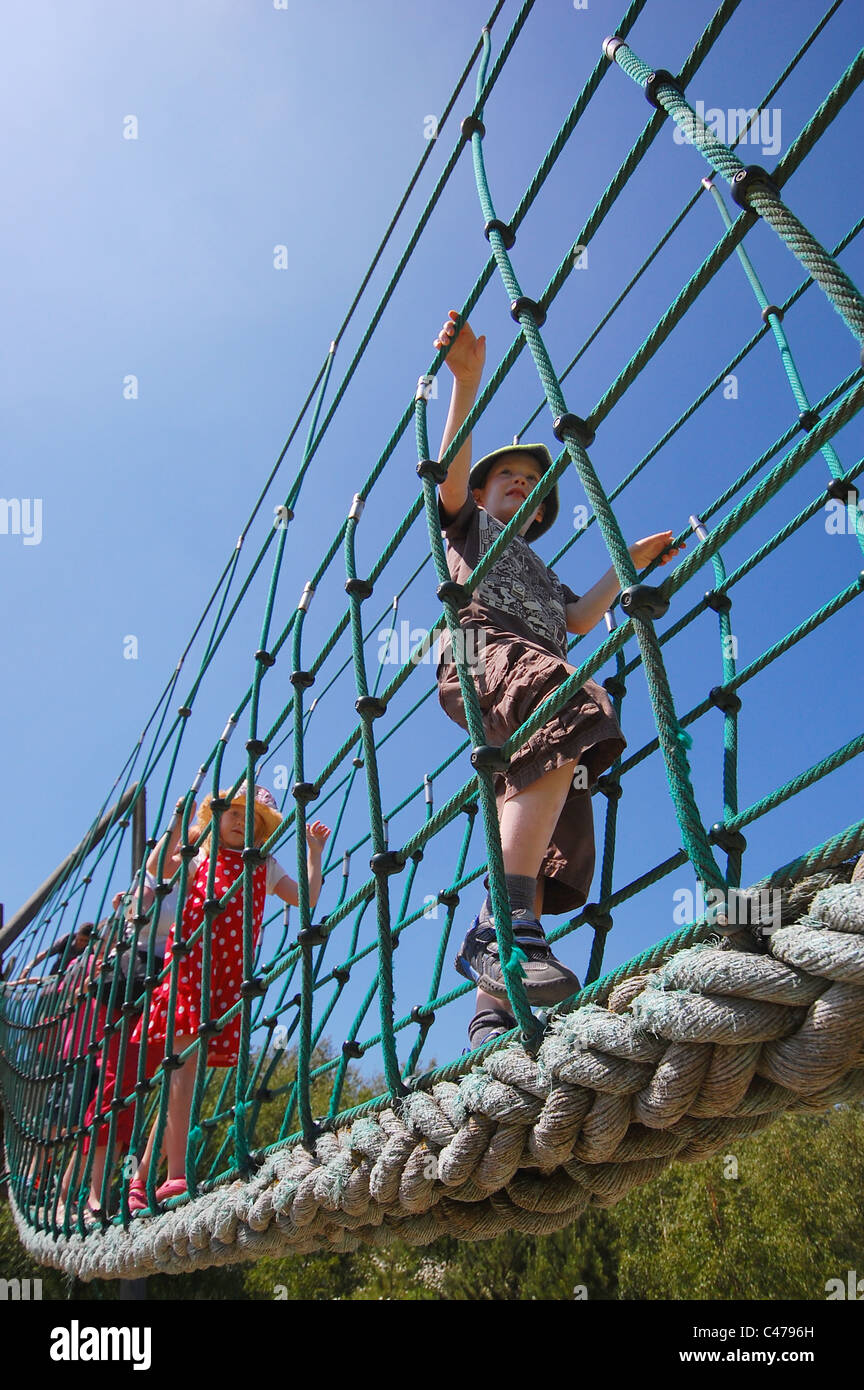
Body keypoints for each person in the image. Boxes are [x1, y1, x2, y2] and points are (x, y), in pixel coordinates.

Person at [432, 310, 684, 1046]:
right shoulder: (469, 528)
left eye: (531, 486)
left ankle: (496, 1003)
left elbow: (578, 618)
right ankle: (502, 925)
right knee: (574, 703)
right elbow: (446, 479)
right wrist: (467, 385)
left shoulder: (543, 572)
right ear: (484, 497)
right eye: (505, 477)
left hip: (533, 667)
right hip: (486, 651)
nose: (517, 486)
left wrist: (625, 566)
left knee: (547, 815)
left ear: (541, 512)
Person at [119, 785, 330, 1211]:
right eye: (234, 812)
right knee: (181, 1075)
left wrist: (313, 853)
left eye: (252, 818)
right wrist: (178, 829)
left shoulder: (264, 865)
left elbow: (304, 900)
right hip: (190, 973)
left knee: (185, 1085)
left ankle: (139, 1177)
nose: (241, 822)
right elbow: (159, 869)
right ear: (215, 816)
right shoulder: (200, 854)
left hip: (228, 986)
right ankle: (175, 1177)